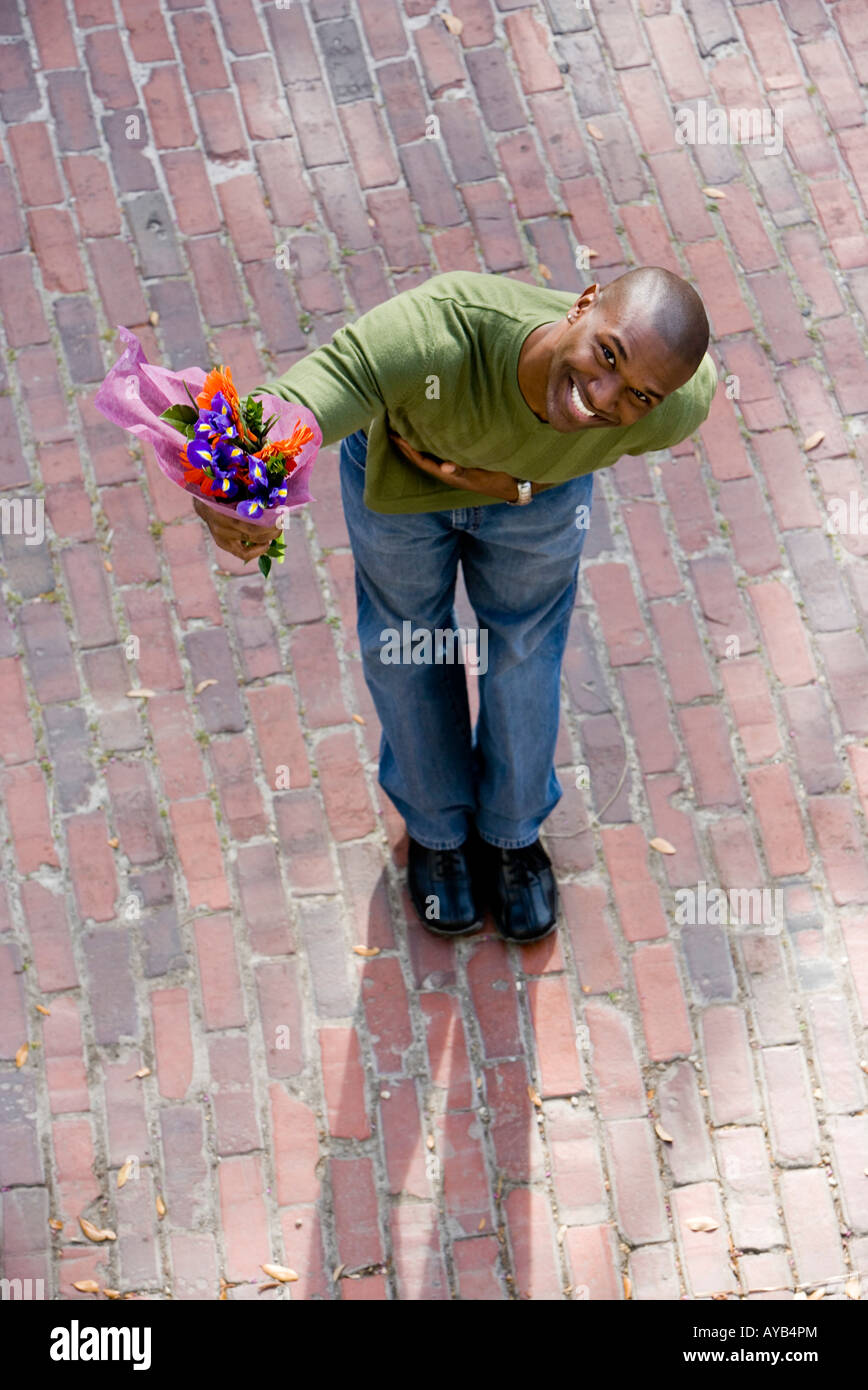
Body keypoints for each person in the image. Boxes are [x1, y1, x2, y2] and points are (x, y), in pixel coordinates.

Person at [194, 268, 715, 945]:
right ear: (581, 304)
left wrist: (512, 484)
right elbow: (305, 396)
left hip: (542, 500)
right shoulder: (439, 330)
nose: (603, 397)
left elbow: (639, 401)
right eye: (606, 356)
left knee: (524, 649)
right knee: (405, 645)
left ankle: (512, 832)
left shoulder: (676, 405)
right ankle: (437, 829)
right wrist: (234, 481)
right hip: (404, 487)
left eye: (637, 393)